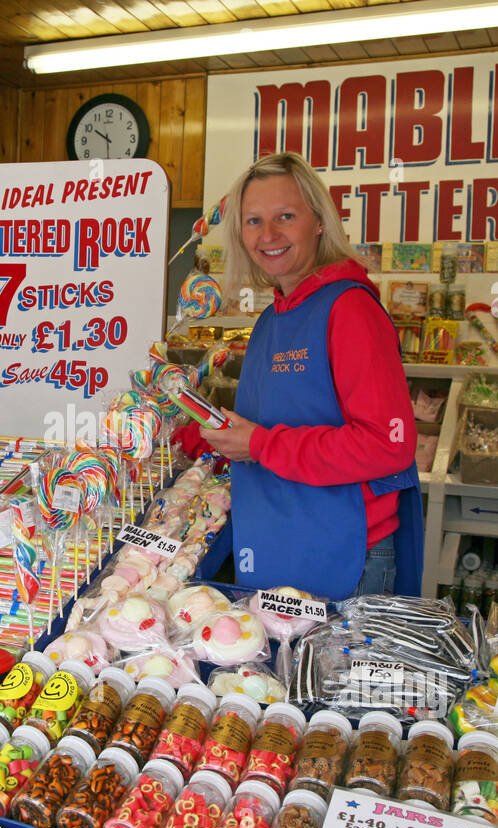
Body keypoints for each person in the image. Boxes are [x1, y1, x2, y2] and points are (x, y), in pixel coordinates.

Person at [178, 151, 423, 600]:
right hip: (280, 541)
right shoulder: (274, 317)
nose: (268, 235)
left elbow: (387, 445)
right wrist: (190, 433)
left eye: (285, 217)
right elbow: (268, 427)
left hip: (342, 555)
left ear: (319, 222)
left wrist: (258, 443)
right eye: (253, 221)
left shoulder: (350, 309)